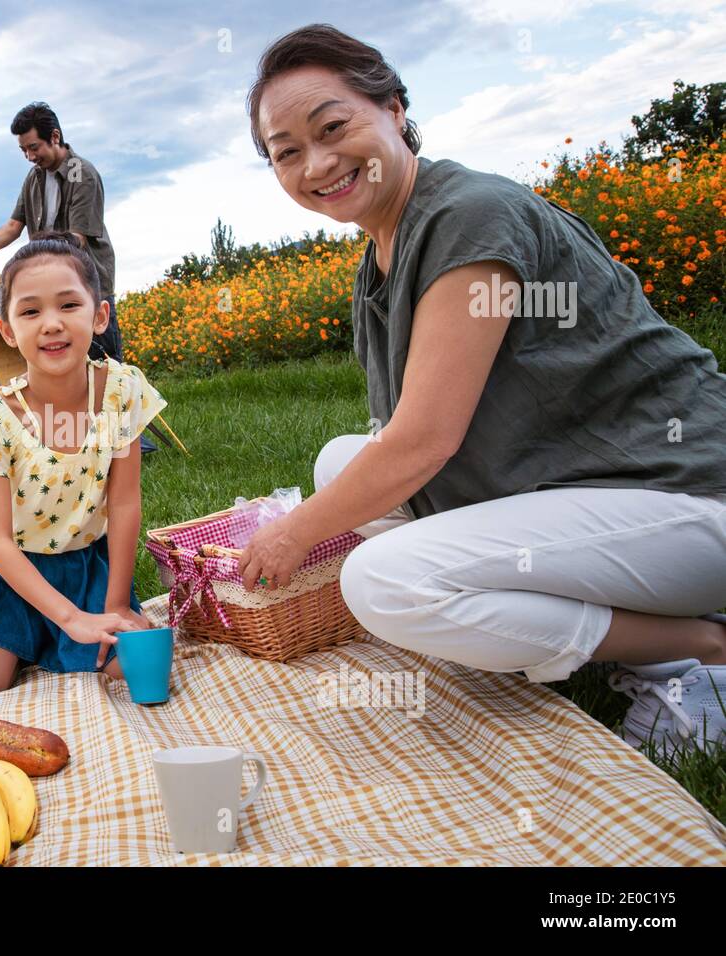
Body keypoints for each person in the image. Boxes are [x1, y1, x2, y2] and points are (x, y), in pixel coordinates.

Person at [236, 24, 726, 755]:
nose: (318, 162)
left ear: (395, 109)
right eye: (287, 153)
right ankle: (621, 630)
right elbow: (406, 436)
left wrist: (294, 533)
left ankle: (692, 654)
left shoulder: (469, 216)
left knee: (383, 583)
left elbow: (425, 440)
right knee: (342, 465)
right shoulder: (381, 256)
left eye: (333, 126)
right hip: (587, 482)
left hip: (686, 495)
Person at [0, 232, 167, 708]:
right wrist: (70, 619)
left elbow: (124, 504)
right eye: (30, 311)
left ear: (99, 315)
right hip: (7, 572)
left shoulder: (121, 391)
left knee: (133, 665)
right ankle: (22, 636)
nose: (51, 325)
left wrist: (116, 604)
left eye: (68, 305)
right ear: (6, 330)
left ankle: (45, 641)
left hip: (84, 565)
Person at [0, 103, 123, 362]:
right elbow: (14, 226)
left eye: (33, 147)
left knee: (103, 365)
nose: (29, 156)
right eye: (23, 150)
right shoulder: (34, 177)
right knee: (60, 365)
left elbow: (77, 239)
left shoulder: (81, 174)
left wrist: (32, 259)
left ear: (55, 137)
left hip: (86, 289)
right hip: (49, 290)